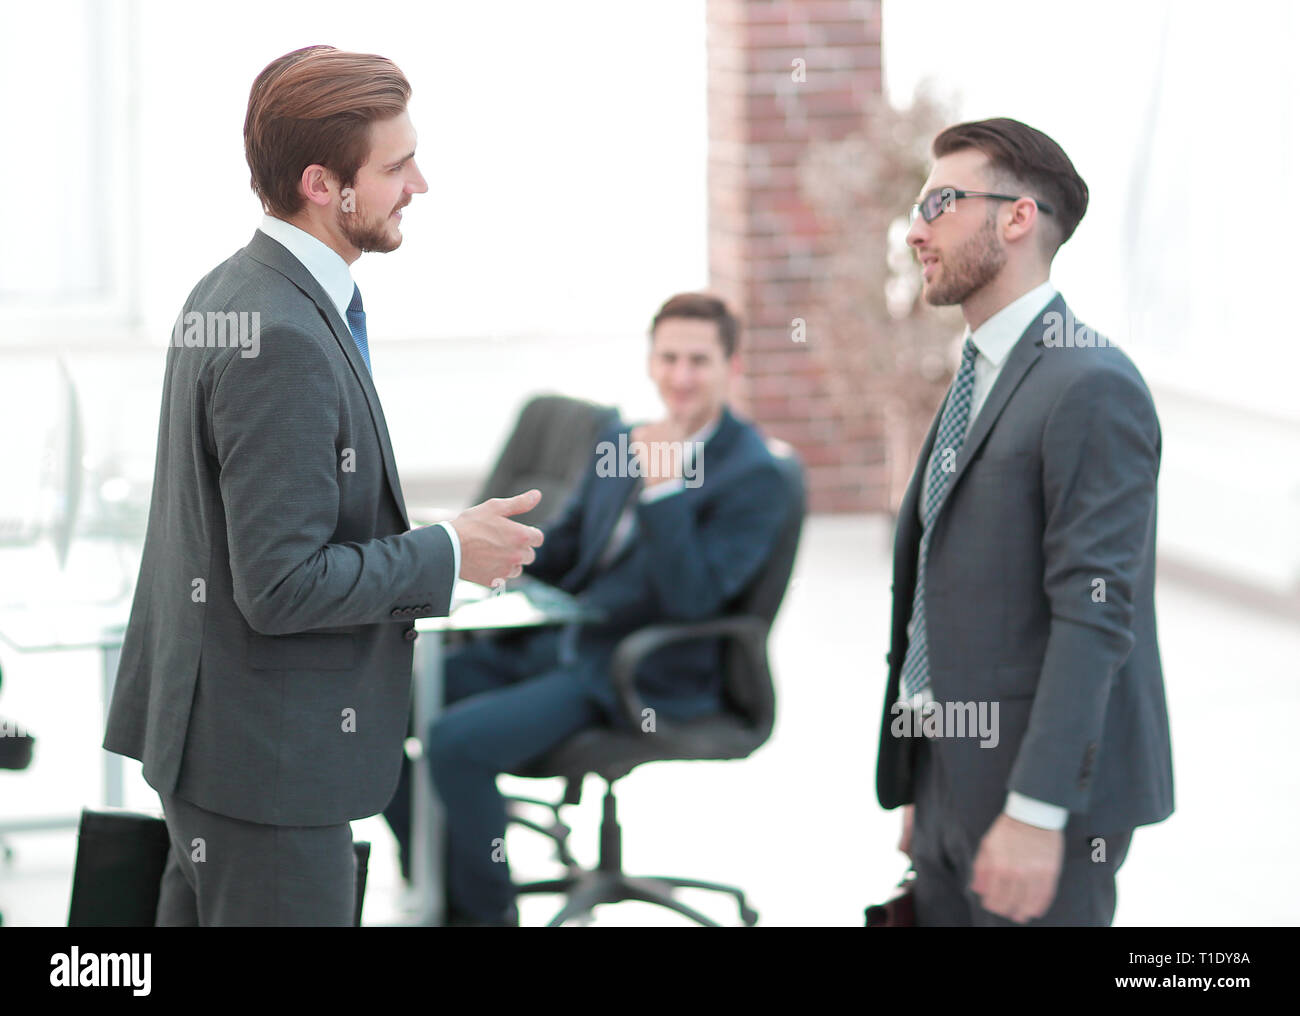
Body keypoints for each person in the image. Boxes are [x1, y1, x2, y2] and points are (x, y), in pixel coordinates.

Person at [102, 46, 543, 926]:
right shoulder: (285, 339)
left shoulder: (234, 291)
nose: (420, 183)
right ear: (320, 183)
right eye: (395, 165)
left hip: (225, 756)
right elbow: (281, 583)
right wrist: (449, 550)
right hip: (268, 771)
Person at [385, 292, 795, 926]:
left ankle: (484, 917)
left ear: (731, 367)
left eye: (699, 361)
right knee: (382, 710)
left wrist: (663, 491)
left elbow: (693, 601)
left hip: (641, 673)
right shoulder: (623, 438)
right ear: (651, 361)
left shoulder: (755, 473)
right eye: (668, 358)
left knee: (455, 742)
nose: (680, 377)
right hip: (562, 642)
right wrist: (480, 545)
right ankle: (441, 885)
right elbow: (567, 544)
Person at [875, 118, 1173, 926]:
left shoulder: (1090, 383)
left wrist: (1038, 812)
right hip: (947, 783)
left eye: (940, 203)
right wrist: (925, 782)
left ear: (1016, 217)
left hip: (1038, 798)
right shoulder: (980, 370)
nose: (915, 230)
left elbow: (1095, 615)